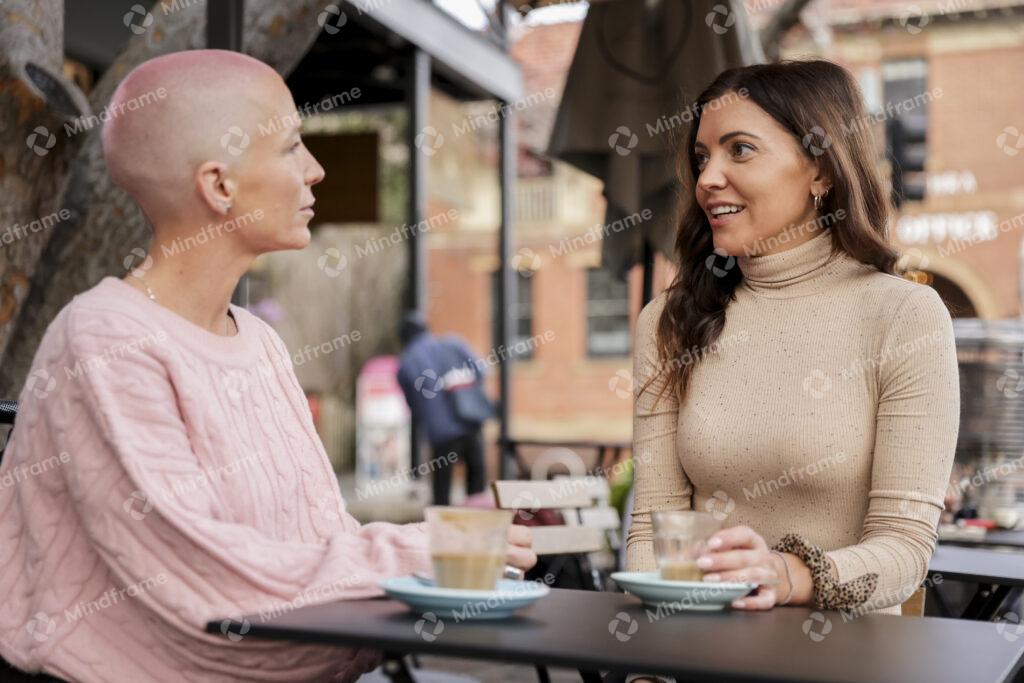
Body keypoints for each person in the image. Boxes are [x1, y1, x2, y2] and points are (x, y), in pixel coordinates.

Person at [0, 50, 534, 683]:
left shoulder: (258, 341)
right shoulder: (103, 340)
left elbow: (319, 538)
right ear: (219, 186)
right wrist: (430, 550)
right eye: (290, 147)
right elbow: (206, 583)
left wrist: (434, 553)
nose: (316, 170)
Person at [627, 59, 959, 621]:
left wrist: (787, 575)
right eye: (703, 156)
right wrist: (652, 670)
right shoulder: (667, 322)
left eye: (741, 149)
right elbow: (649, 531)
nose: (707, 178)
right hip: (698, 657)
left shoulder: (904, 315)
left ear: (821, 171)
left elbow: (905, 549)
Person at [396, 313, 491, 505]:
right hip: (469, 422)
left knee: (441, 490)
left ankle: (443, 529)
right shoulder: (453, 344)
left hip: (440, 434)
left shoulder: (406, 364)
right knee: (476, 487)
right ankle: (475, 526)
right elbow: (481, 371)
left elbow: (412, 405)